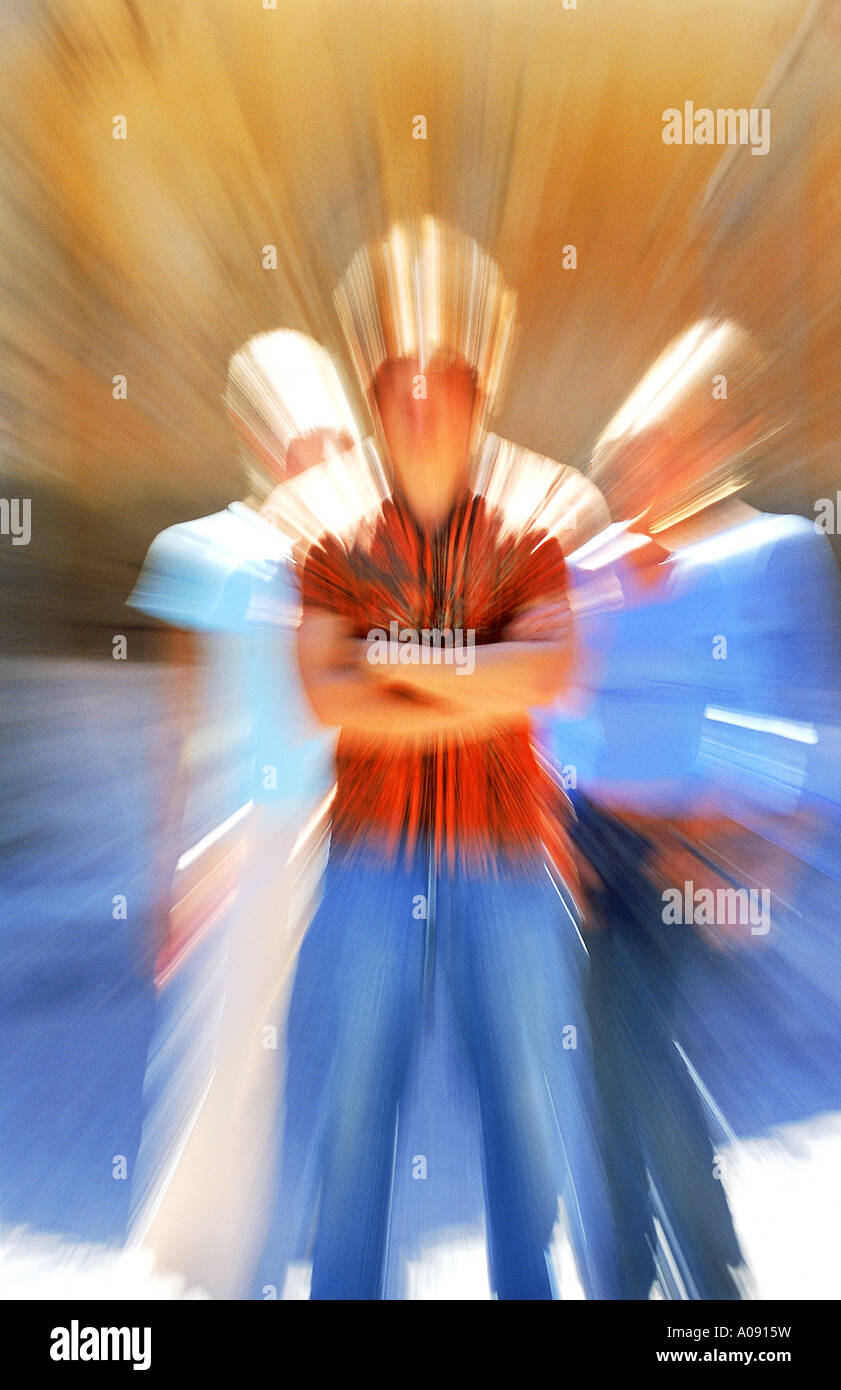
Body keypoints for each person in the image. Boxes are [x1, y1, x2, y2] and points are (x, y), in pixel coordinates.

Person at [286, 216, 584, 1300]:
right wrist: (476, 673)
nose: (420, 396)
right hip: (369, 868)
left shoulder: (530, 534)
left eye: (443, 376)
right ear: (375, 398)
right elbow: (327, 699)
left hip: (506, 869)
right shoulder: (330, 543)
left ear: (476, 392)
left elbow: (547, 677)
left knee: (524, 1117)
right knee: (355, 1117)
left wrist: (391, 663)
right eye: (398, 379)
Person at [540, 317, 824, 1299]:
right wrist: (561, 828)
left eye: (668, 451)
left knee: (635, 1063)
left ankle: (688, 1277)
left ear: (716, 444)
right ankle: (678, 1276)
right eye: (632, 455)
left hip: (689, 854)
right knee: (623, 1067)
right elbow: (558, 712)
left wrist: (749, 847)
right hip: (596, 847)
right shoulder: (594, 570)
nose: (644, 477)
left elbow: (790, 714)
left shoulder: (765, 554)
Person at [125, 330, 364, 1298]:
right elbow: (183, 724)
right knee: (226, 1061)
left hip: (348, 833)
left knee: (349, 1065)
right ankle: (196, 1267)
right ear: (252, 433)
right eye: (292, 433)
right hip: (245, 840)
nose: (309, 455)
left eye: (327, 437)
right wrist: (174, 867)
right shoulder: (202, 551)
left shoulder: (354, 554)